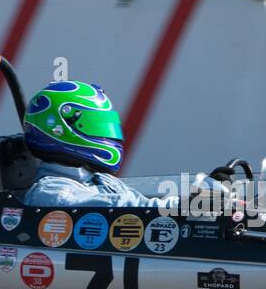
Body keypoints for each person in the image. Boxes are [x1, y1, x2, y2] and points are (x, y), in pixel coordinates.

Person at [21, 81, 179, 209]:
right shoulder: (51, 193)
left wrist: (187, 205)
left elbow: (145, 205)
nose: (105, 134)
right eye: (92, 124)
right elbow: (121, 208)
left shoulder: (103, 181)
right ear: (59, 129)